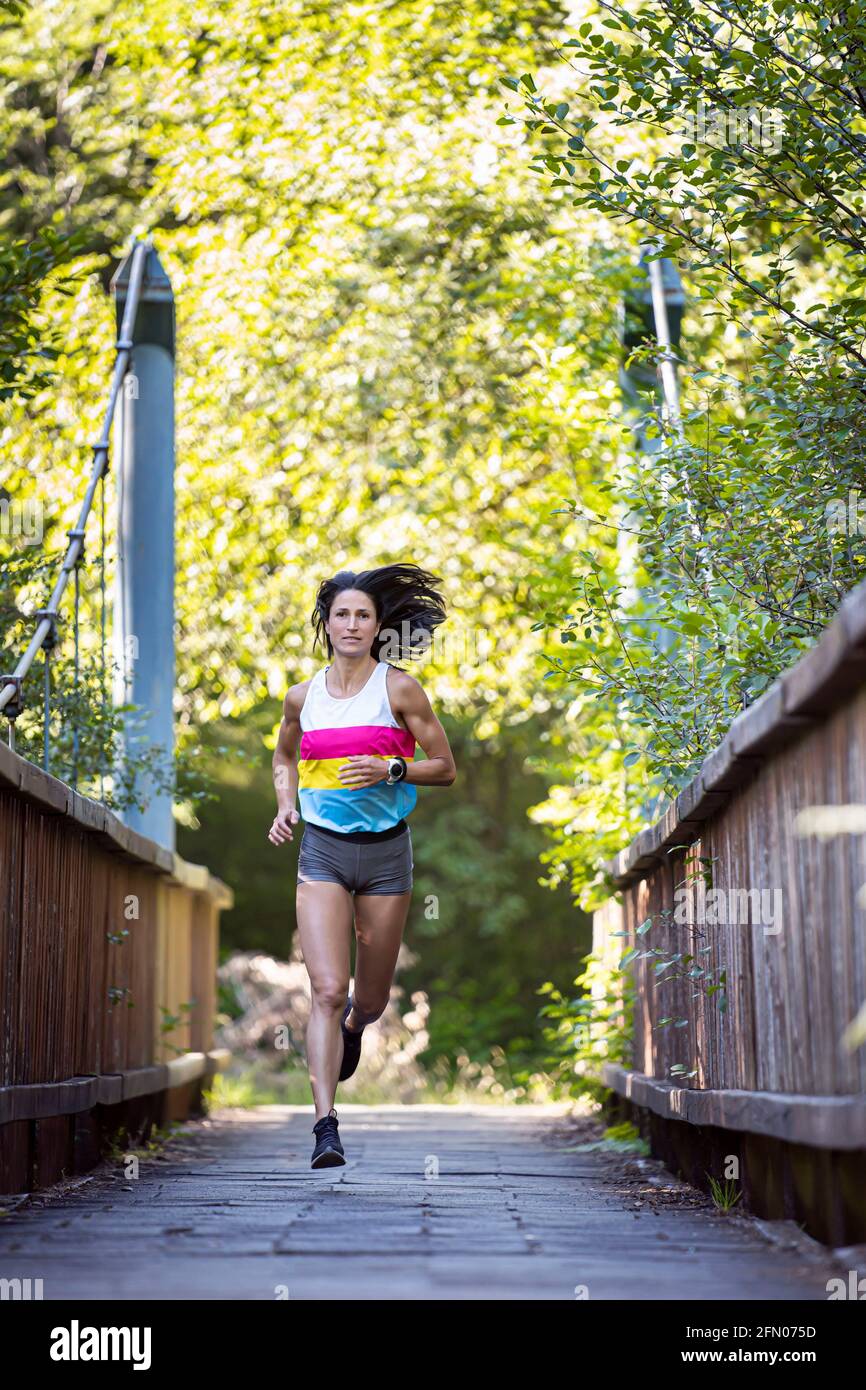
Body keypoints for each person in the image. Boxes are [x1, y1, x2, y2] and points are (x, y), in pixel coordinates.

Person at [268, 564, 457, 1168]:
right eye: (342, 614)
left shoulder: (399, 690)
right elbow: (283, 756)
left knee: (367, 1000)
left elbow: (446, 767)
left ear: (379, 627)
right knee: (325, 988)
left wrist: (391, 768)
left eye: (363, 615)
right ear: (326, 623)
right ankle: (325, 1126)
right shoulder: (303, 696)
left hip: (384, 853)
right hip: (321, 848)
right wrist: (285, 806)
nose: (351, 624)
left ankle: (355, 1028)